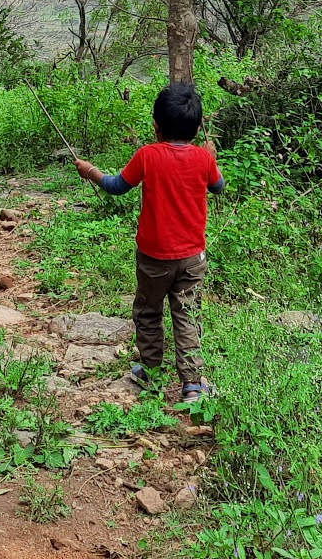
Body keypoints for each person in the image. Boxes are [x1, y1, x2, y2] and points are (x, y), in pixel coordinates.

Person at [73, 80, 225, 402]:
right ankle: (192, 386)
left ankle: (152, 371)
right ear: (198, 129)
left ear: (155, 125)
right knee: (187, 315)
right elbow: (219, 187)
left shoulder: (147, 155)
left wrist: (90, 171)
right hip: (192, 258)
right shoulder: (203, 158)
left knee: (148, 311)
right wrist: (211, 156)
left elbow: (115, 186)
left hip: (153, 258)